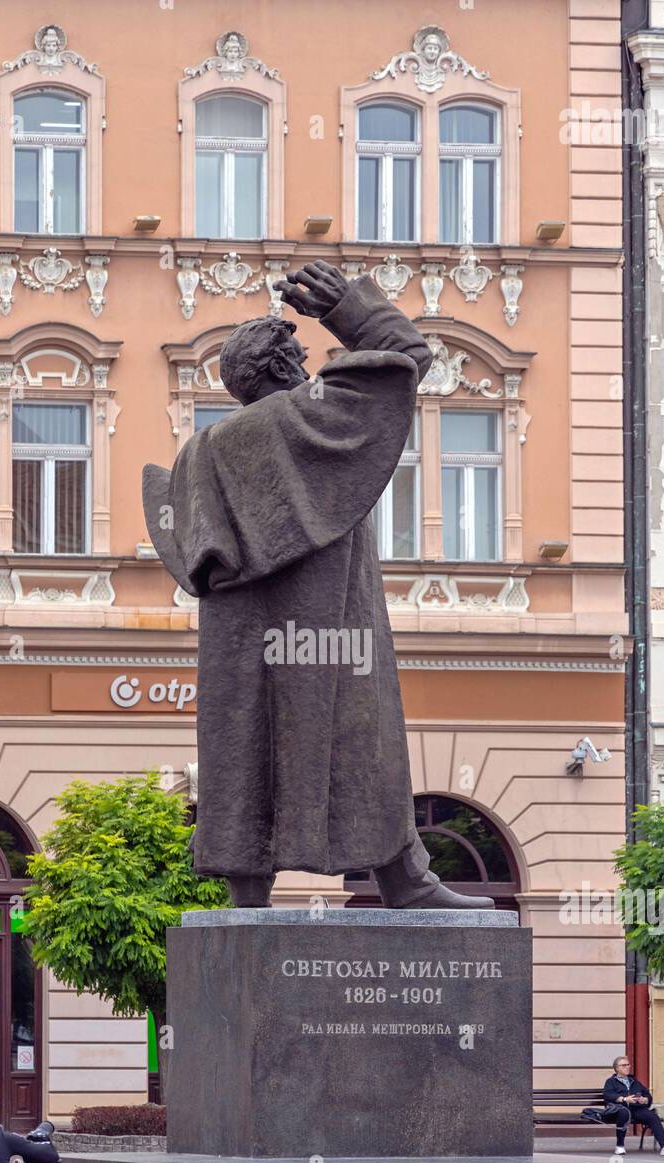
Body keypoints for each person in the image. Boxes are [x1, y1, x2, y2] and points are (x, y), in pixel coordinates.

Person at [142, 260, 493, 912]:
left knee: (242, 743)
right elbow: (404, 360)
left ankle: (247, 895)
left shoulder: (201, 451)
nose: (310, 367)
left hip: (243, 644)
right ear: (282, 369)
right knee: (367, 738)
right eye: (301, 357)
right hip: (332, 629)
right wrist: (350, 309)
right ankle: (404, 879)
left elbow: (182, 546)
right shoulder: (315, 416)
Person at [602, 1056, 664, 1156]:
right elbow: (608, 1095)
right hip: (620, 1110)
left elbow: (647, 1094)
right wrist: (624, 1099)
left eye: (628, 1065)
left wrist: (645, 1100)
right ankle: (620, 1146)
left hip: (636, 1109)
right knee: (623, 1114)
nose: (627, 1067)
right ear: (617, 1068)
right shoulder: (611, 1082)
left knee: (652, 1116)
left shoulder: (634, 1081)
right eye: (624, 1065)